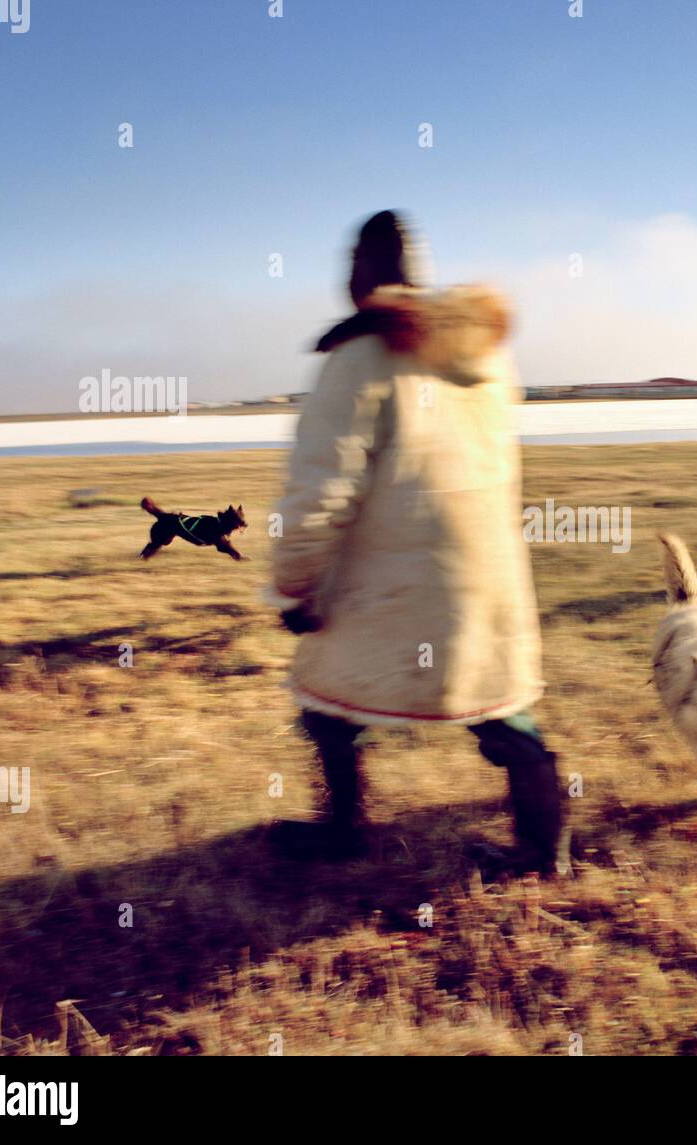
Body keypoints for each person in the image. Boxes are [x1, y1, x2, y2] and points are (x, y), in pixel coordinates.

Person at [267, 210, 567, 875]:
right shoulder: (483, 352)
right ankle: (544, 850)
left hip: (390, 579)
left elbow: (321, 489)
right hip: (483, 574)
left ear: (364, 274)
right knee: (501, 708)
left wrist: (294, 584)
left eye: (353, 261)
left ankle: (343, 829)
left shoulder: (361, 356)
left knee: (328, 704)